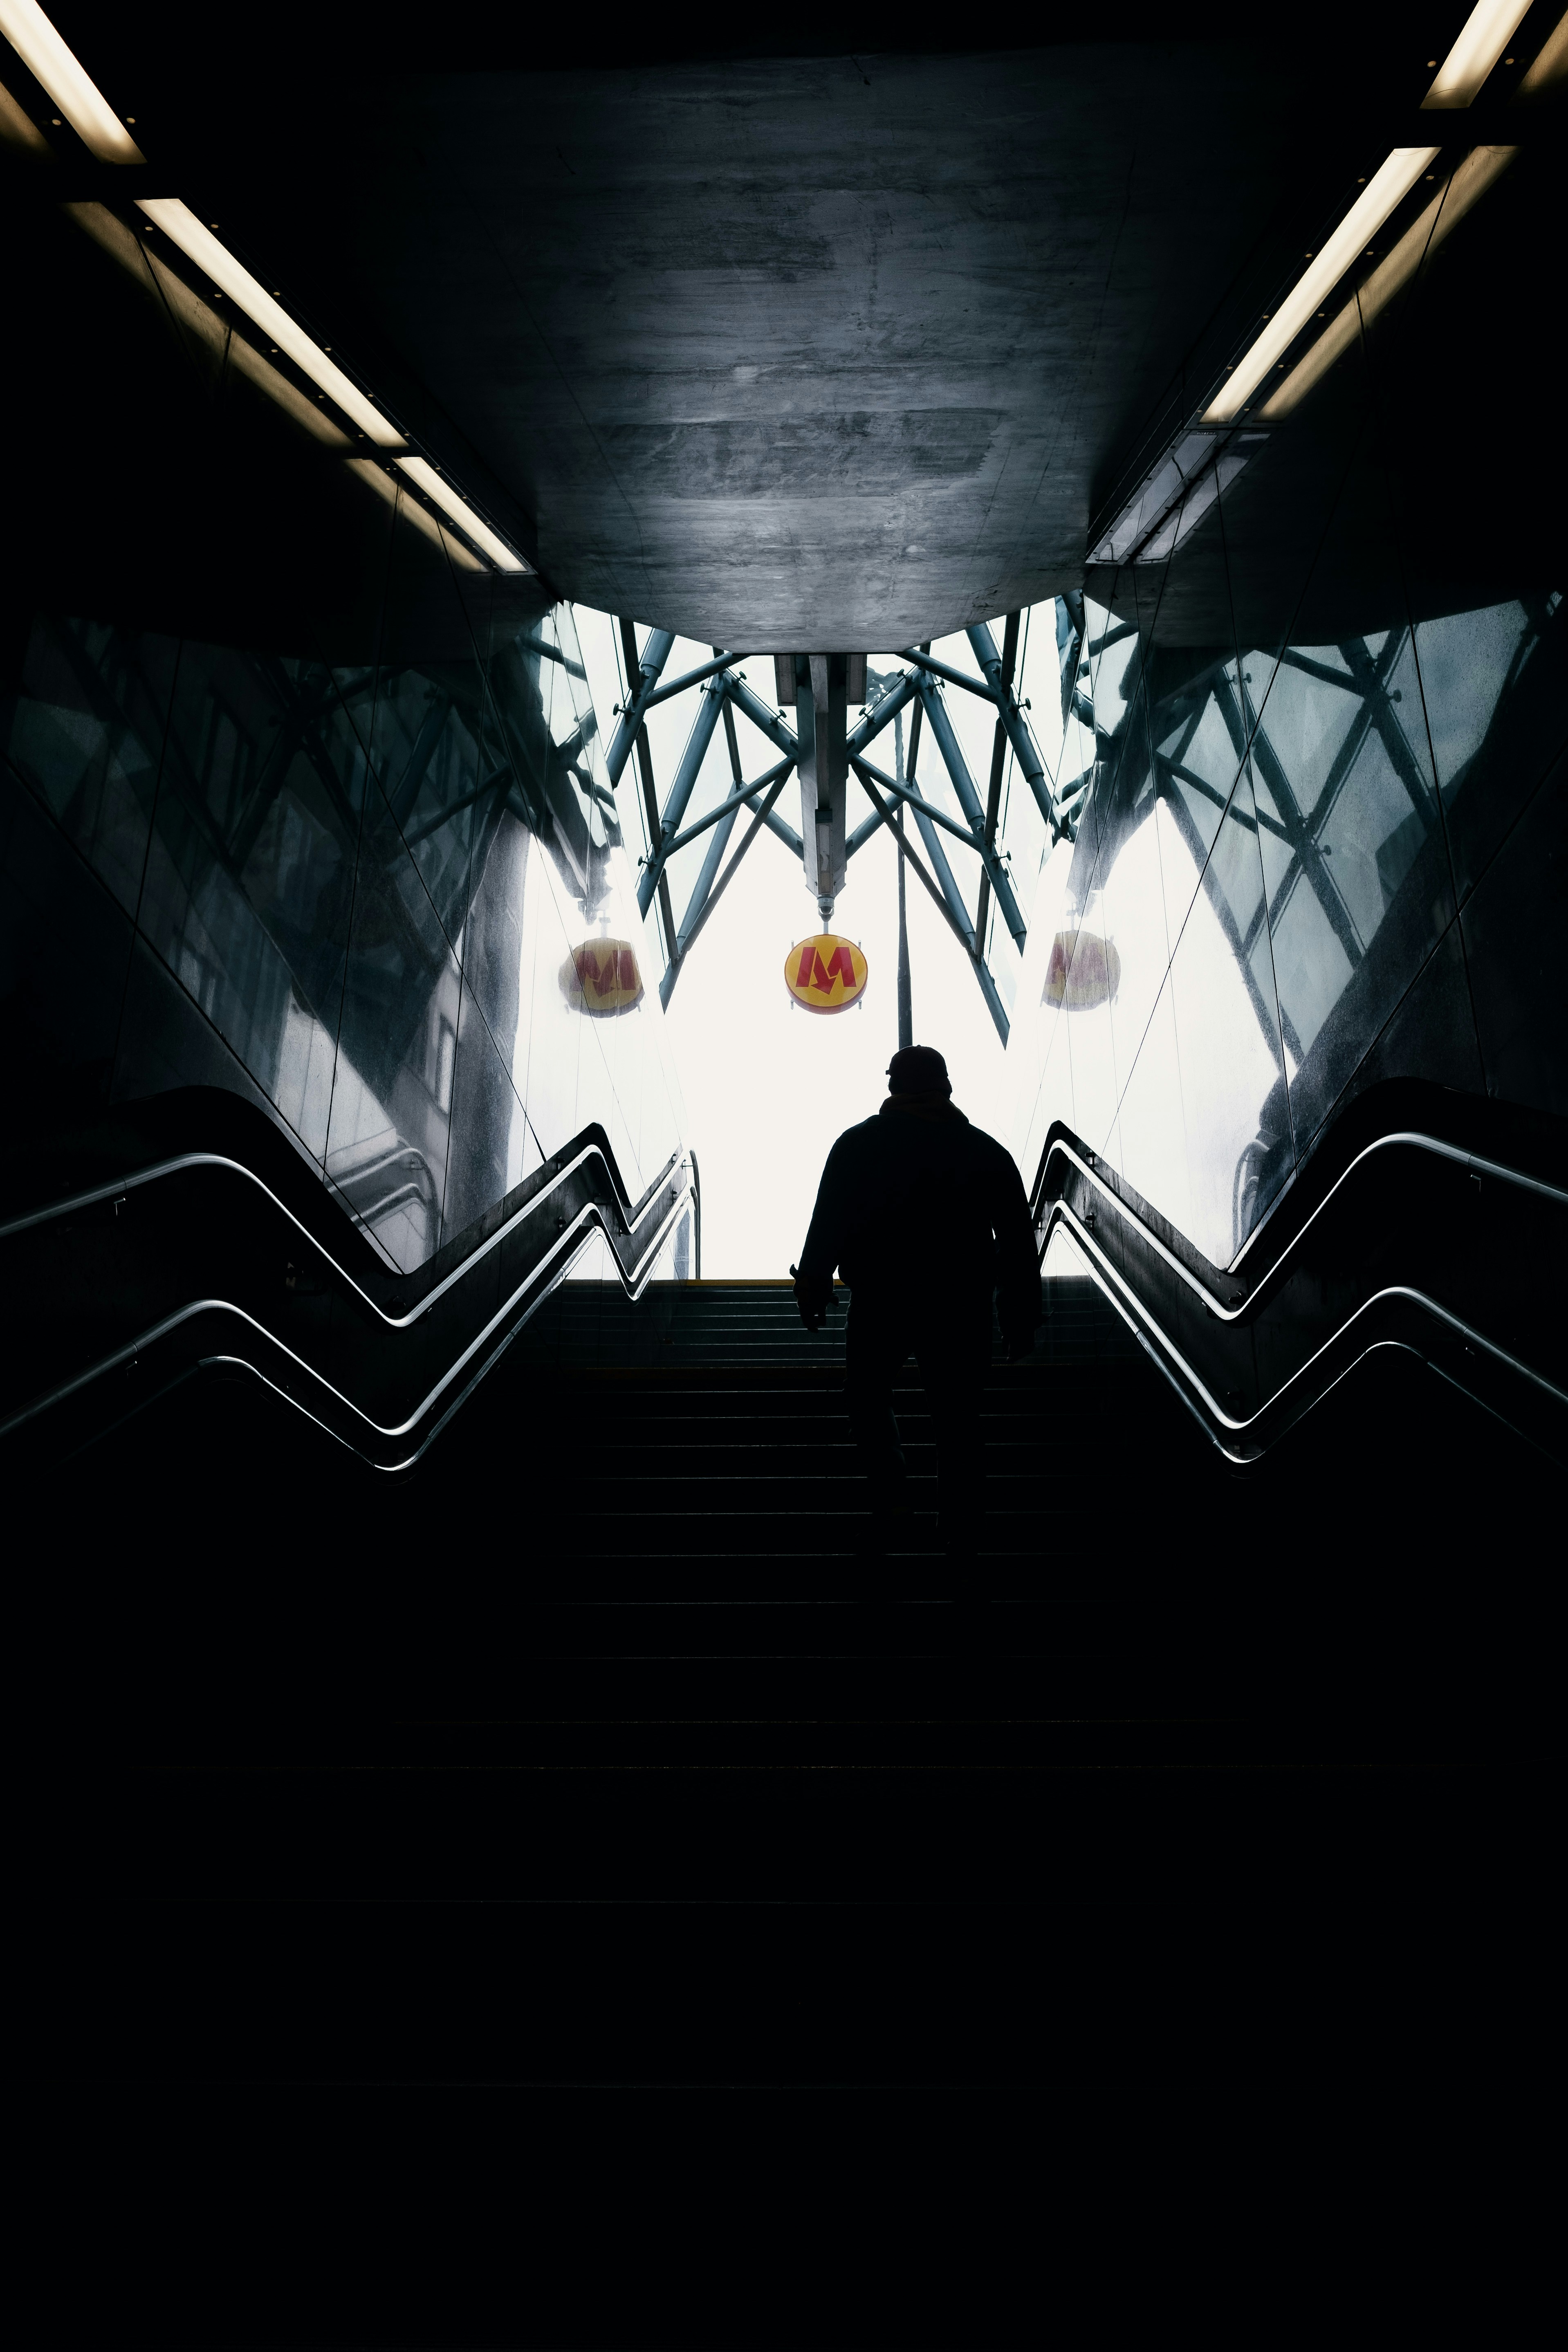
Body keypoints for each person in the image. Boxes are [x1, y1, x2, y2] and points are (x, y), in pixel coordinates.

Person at [792, 1044, 1041, 1565]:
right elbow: (1018, 1244)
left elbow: (829, 1219)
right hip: (961, 1306)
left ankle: (893, 1504)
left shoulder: (858, 1144)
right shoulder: (985, 1151)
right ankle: (960, 1530)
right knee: (958, 1415)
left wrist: (813, 1286)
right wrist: (1018, 1318)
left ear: (892, 1087)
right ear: (946, 1086)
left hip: (881, 1298)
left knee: (867, 1396)